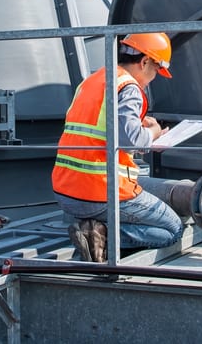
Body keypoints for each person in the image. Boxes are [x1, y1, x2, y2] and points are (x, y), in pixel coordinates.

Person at [52, 32, 184, 262]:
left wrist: (139, 127)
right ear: (144, 62)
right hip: (100, 191)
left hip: (67, 191)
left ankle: (95, 227)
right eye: (156, 71)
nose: (153, 78)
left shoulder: (93, 81)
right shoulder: (129, 87)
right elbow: (130, 141)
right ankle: (99, 234)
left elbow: (97, 127)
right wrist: (153, 133)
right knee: (172, 230)